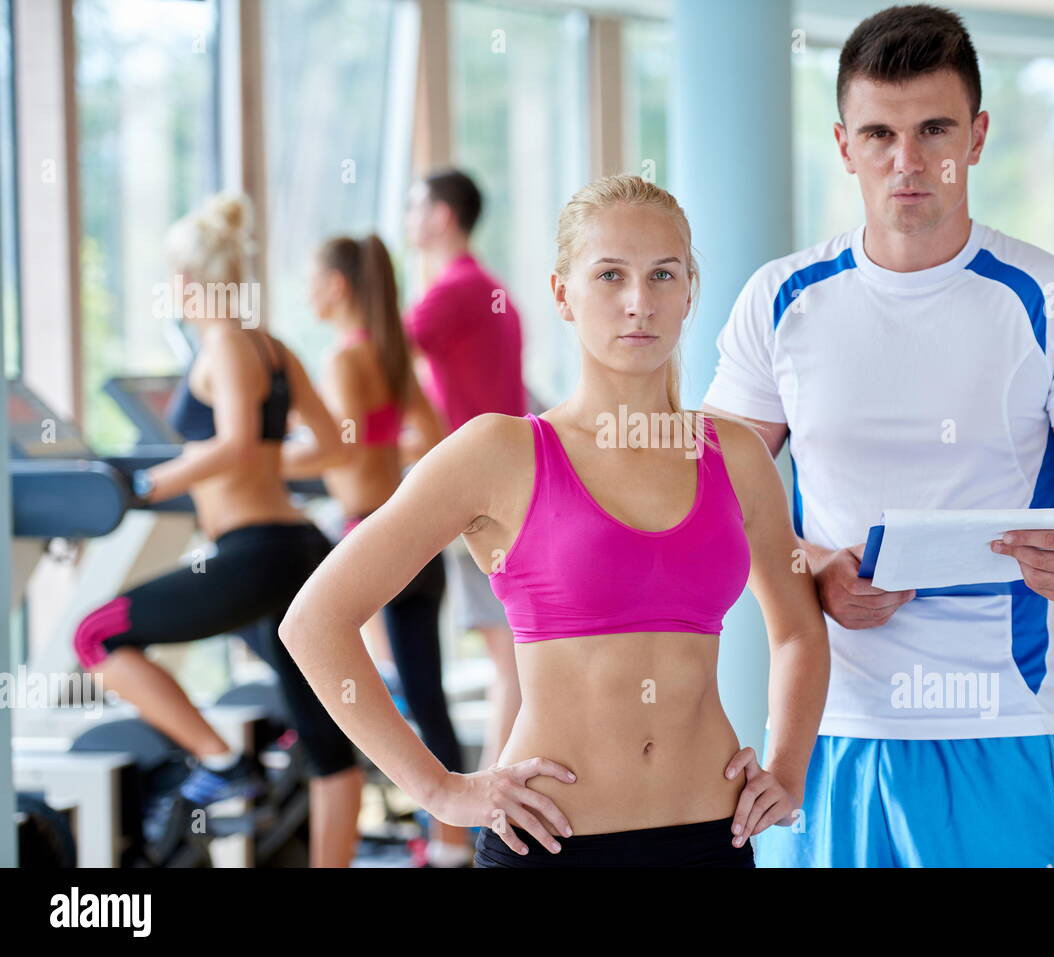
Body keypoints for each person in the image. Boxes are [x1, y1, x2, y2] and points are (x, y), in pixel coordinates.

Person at [701, 3, 1054, 868]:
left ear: (980, 133)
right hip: (825, 734)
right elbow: (708, 499)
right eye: (879, 134)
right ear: (843, 144)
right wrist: (810, 563)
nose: (907, 161)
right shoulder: (779, 299)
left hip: (1001, 726)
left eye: (934, 129)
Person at [280, 174, 831, 868]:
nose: (640, 302)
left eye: (664, 274)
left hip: (711, 838)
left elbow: (798, 631)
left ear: (690, 289)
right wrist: (440, 790)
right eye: (610, 275)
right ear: (563, 294)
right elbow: (314, 621)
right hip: (550, 842)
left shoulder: (737, 454)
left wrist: (787, 770)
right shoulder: (499, 453)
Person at [70, 192, 366, 867]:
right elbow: (333, 447)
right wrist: (267, 461)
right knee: (328, 744)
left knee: (95, 635)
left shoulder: (226, 343)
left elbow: (232, 442)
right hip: (297, 549)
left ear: (185, 281)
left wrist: (147, 485)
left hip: (255, 552)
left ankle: (221, 762)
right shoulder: (273, 346)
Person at [298, 232, 472, 867]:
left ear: (338, 286)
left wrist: (288, 457)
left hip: (370, 534)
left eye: (311, 279)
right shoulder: (390, 355)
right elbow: (430, 437)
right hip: (412, 538)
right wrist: (379, 452)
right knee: (428, 694)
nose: (305, 292)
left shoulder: (345, 359)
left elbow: (339, 450)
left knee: (326, 657)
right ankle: (452, 845)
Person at [402, 168, 526, 771]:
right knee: (511, 653)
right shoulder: (489, 289)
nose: (407, 220)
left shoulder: (451, 292)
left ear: (443, 216)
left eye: (414, 207)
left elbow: (375, 364)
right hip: (500, 478)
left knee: (509, 657)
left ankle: (492, 817)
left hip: (476, 489)